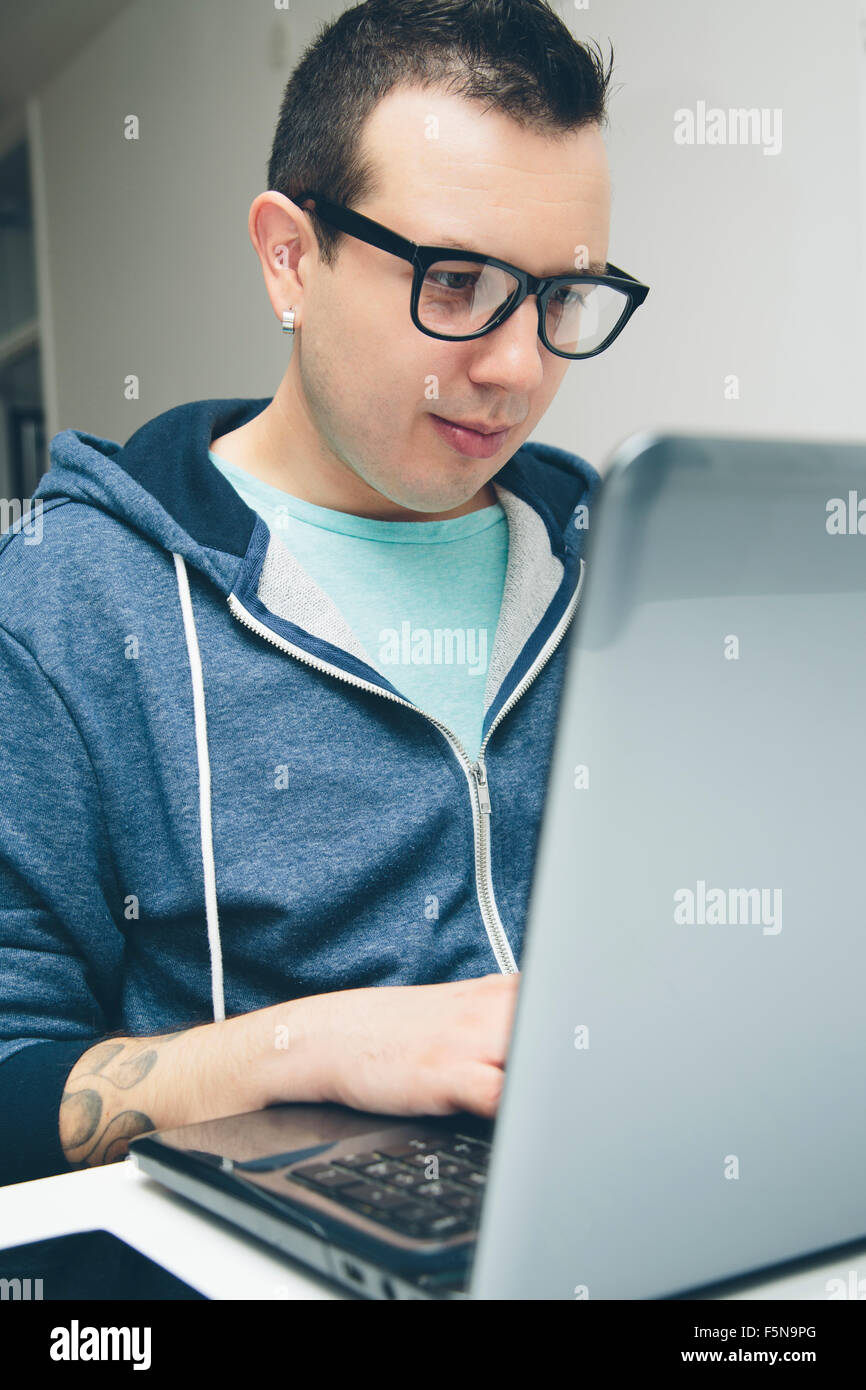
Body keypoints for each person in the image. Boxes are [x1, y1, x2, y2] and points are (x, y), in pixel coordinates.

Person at [0, 0, 648, 1186]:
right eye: (454, 282)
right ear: (289, 256)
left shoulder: (624, 563)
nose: (516, 367)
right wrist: (313, 1043)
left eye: (563, 297)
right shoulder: (66, 599)